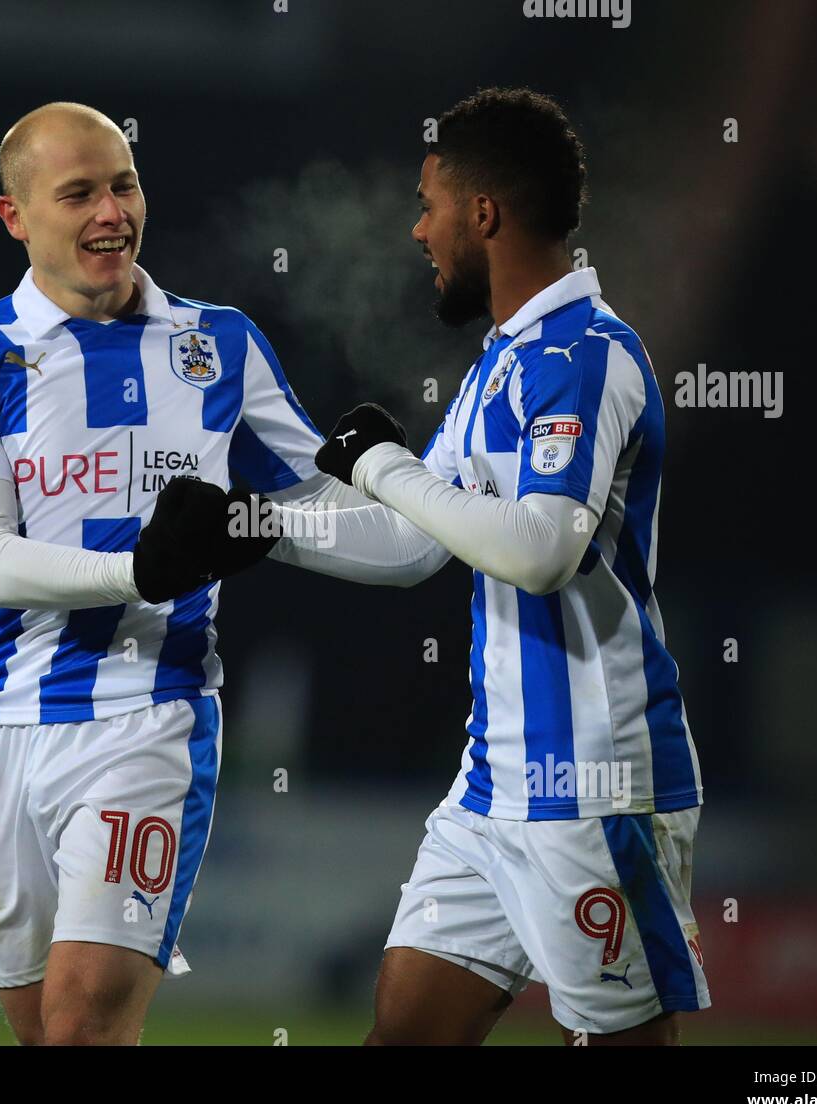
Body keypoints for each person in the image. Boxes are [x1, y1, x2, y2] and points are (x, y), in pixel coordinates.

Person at [236, 87, 708, 1044]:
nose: (417, 229)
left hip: (594, 786)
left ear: (482, 213)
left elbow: (538, 551)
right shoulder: (503, 363)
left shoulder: (587, 356)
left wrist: (380, 464)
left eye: (429, 202)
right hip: (491, 789)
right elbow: (416, 539)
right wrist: (254, 525)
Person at [0, 102, 360, 1045]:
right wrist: (141, 566)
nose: (112, 211)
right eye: (78, 193)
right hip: (2, 725)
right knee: (45, 1032)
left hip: (148, 714)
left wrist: (367, 496)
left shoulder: (220, 343)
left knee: (80, 1026)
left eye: (124, 184)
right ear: (15, 218)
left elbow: (355, 524)